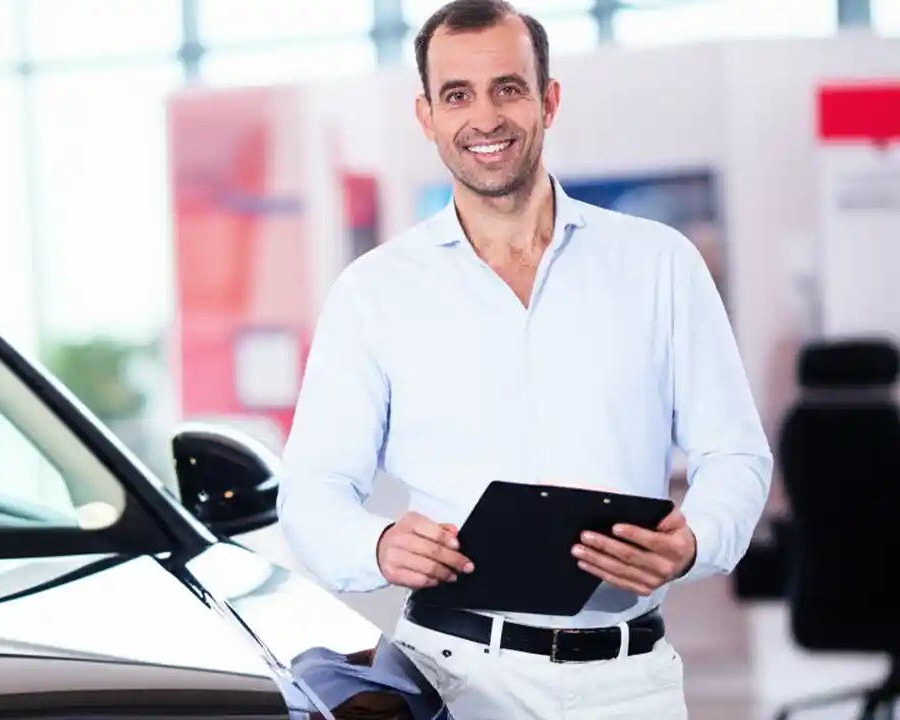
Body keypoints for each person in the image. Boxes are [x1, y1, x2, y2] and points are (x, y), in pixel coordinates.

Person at [274, 1, 773, 717]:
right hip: (452, 678)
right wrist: (376, 544)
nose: (485, 118)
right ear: (427, 116)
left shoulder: (659, 264)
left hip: (629, 684)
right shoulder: (373, 292)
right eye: (458, 95)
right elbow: (313, 490)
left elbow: (736, 454)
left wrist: (696, 540)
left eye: (508, 88)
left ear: (549, 100)